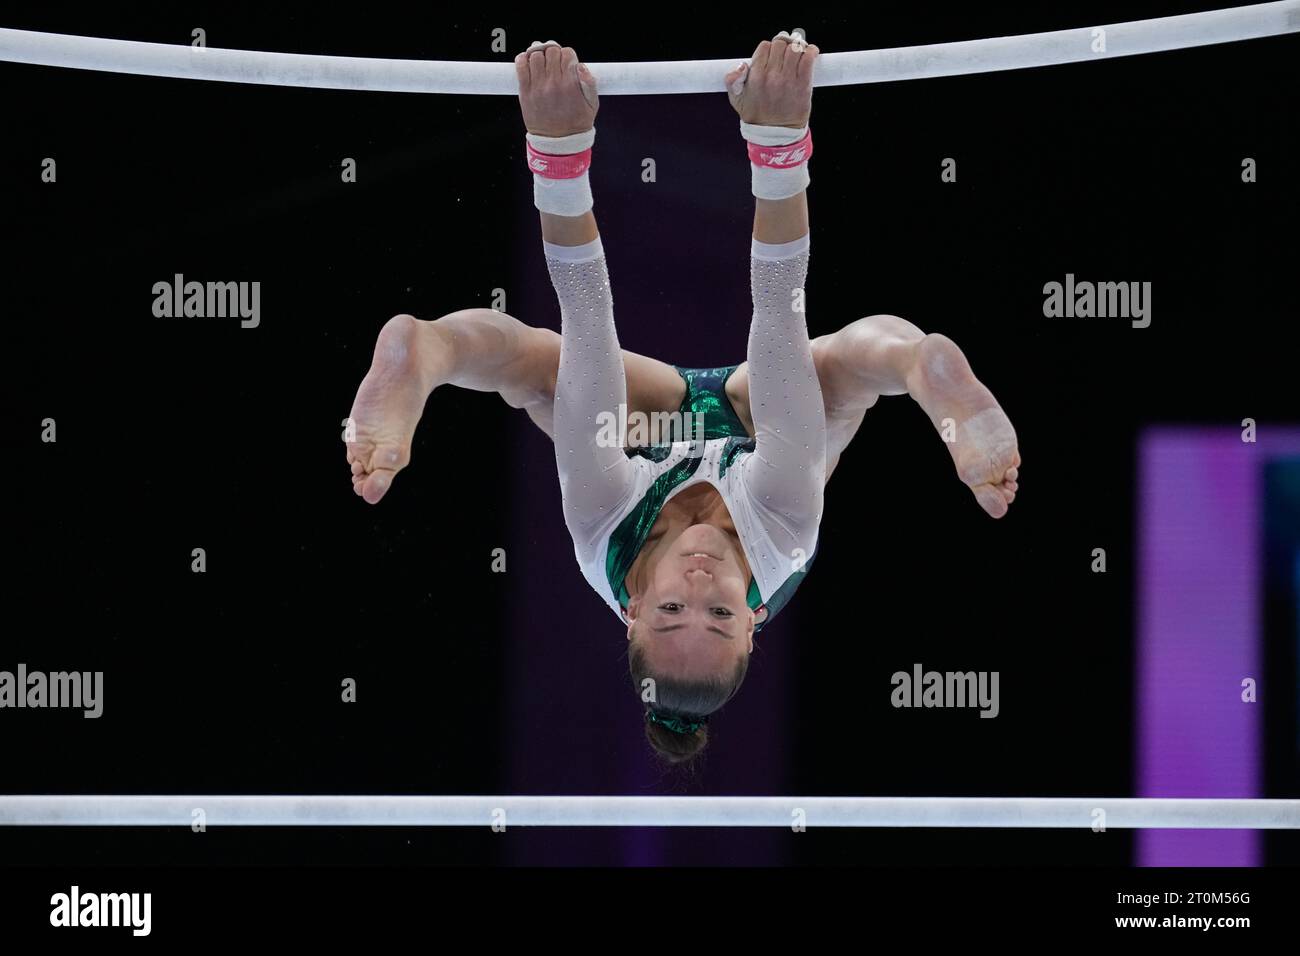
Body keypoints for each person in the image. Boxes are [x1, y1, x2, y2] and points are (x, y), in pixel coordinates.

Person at [345, 32, 1020, 763]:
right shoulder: (785, 537)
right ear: (756, 617)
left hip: (646, 423)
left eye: (672, 610)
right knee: (842, 383)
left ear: (630, 612)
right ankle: (925, 370)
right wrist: (779, 135)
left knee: (546, 366)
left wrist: (558, 149)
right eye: (721, 612)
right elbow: (777, 310)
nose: (700, 585)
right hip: (760, 426)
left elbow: (589, 314)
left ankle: (429, 350)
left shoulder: (603, 526)